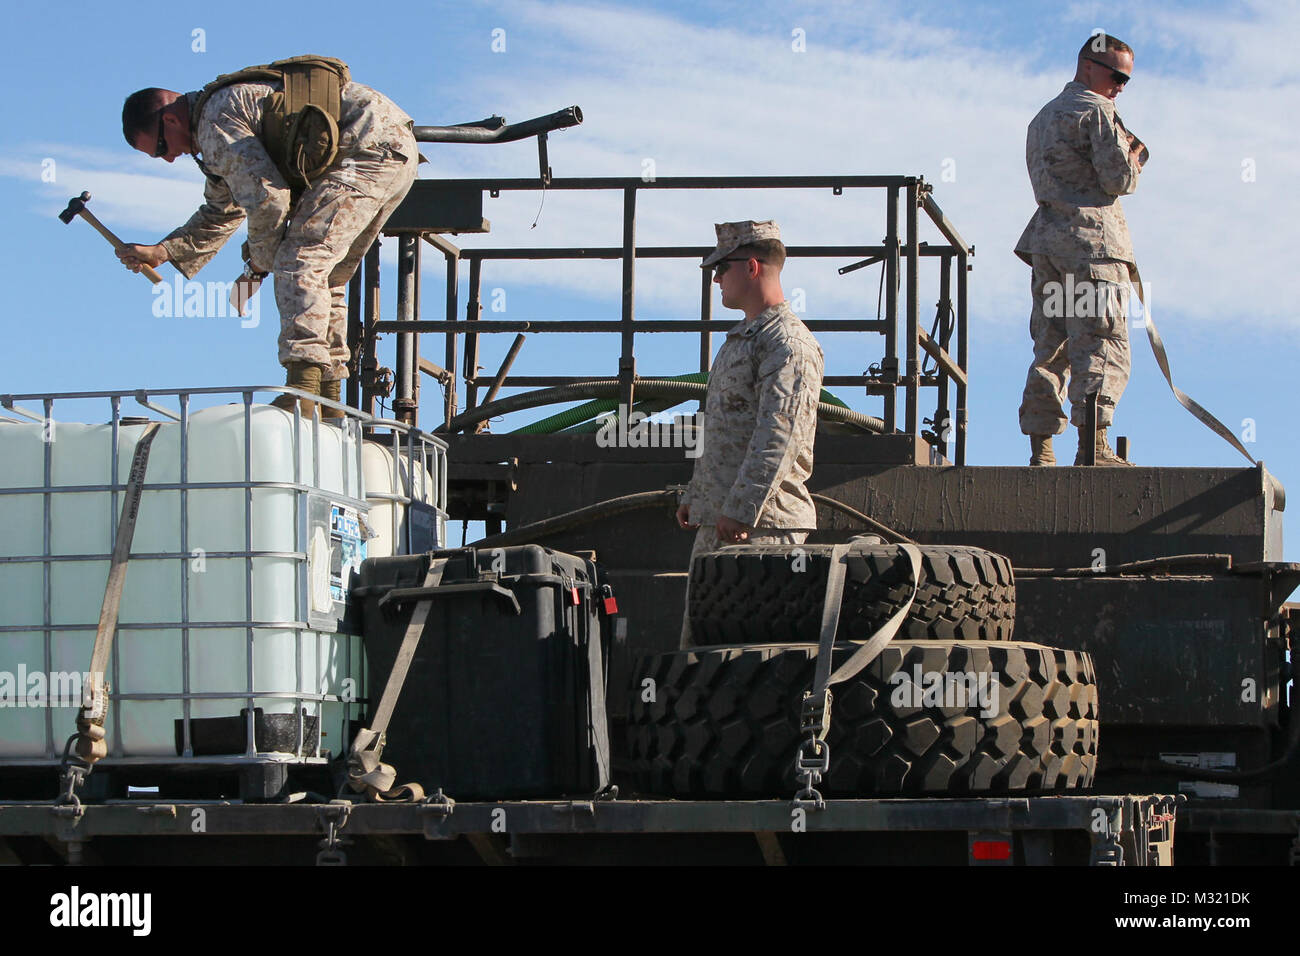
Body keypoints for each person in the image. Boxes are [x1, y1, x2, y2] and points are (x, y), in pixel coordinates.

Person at [116, 57, 420, 415]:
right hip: (390, 147)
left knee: (299, 261)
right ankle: (329, 399)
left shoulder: (215, 123)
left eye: (159, 149)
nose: (168, 160)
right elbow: (222, 208)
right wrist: (162, 251)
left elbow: (267, 200)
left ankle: (303, 392)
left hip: (365, 150)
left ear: (170, 119)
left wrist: (257, 268)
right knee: (326, 276)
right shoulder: (217, 122)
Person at [676, 220, 824, 647]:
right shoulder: (739, 340)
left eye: (722, 267)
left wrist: (742, 509)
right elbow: (729, 429)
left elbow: (780, 433)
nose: (717, 277)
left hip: (762, 529)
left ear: (753, 267)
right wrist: (697, 495)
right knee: (702, 656)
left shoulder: (788, 343)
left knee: (752, 658)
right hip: (724, 524)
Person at [1015, 34, 1148, 466]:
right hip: (1091, 247)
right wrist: (1135, 157)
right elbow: (1118, 179)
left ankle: (1041, 448)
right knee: (1100, 341)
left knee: (1050, 345)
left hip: (1048, 246)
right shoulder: (1098, 110)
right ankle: (1095, 447)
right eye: (1116, 75)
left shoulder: (1042, 118)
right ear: (1089, 66)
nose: (1121, 86)